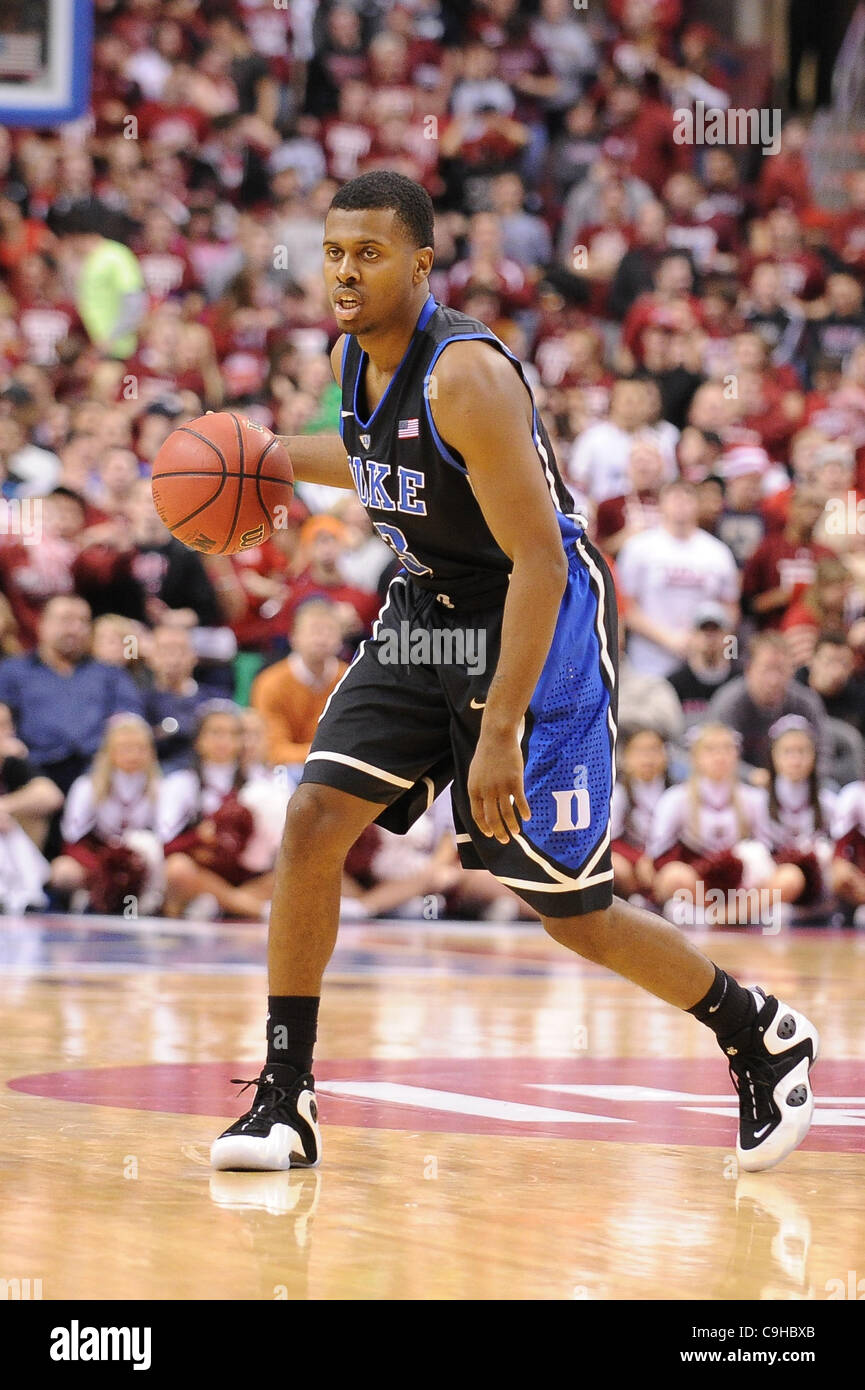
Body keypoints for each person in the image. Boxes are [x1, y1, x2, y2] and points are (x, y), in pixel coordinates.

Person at [210, 171, 818, 1177]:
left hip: (539, 618)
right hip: (427, 617)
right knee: (313, 819)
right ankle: (286, 1098)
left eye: (368, 253)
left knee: (567, 908)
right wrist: (268, 457)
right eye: (332, 252)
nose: (345, 271)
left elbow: (538, 561)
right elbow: (374, 458)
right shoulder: (348, 358)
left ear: (421, 263)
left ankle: (755, 1028)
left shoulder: (469, 378)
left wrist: (495, 731)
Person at [617, 478, 739, 677]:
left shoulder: (718, 551)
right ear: (661, 504)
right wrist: (668, 639)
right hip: (649, 663)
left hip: (701, 666)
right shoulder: (638, 548)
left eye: (688, 496)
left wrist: (708, 642)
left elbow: (730, 607)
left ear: (698, 504)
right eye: (674, 496)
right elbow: (626, 607)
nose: (681, 502)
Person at [49, 713, 164, 916]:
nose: (133, 755)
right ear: (109, 751)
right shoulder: (87, 787)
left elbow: (163, 841)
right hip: (98, 861)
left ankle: (147, 904)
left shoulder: (161, 788)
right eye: (125, 748)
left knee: (148, 844)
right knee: (63, 871)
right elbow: (72, 842)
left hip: (141, 865)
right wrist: (103, 870)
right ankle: (91, 896)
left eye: (141, 748)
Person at [707, 631, 829, 781]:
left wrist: (807, 776)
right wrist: (752, 775)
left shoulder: (806, 703)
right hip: (740, 786)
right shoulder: (729, 703)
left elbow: (824, 750)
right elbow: (713, 753)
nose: (774, 680)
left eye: (781, 670)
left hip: (799, 781)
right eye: (767, 669)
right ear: (749, 669)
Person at [250, 599, 349, 779]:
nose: (322, 638)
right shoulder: (271, 682)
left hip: (340, 769)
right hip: (288, 771)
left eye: (330, 631)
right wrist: (327, 754)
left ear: (340, 639)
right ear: (293, 637)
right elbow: (274, 751)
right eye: (314, 630)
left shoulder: (350, 680)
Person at [759, 716, 836, 913]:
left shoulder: (828, 801)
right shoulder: (757, 801)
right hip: (775, 878)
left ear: (814, 756)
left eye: (802, 751)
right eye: (787, 752)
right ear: (773, 757)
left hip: (817, 883)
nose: (795, 760)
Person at [610, 728, 669, 902]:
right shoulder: (618, 793)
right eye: (639, 751)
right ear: (626, 758)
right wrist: (639, 859)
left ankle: (661, 901)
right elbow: (610, 839)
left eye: (654, 750)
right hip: (631, 860)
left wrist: (652, 859)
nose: (647, 758)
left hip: (663, 859)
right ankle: (631, 898)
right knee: (615, 865)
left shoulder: (676, 792)